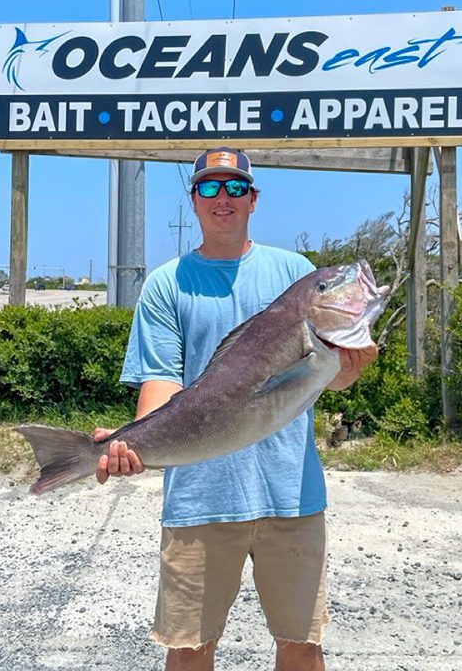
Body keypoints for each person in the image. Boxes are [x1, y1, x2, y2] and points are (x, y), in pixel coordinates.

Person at [94, 147, 377, 671]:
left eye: (234, 187)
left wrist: (354, 356)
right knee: (189, 648)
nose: (221, 197)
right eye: (208, 187)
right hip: (199, 497)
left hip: (291, 495)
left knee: (302, 643)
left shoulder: (295, 272)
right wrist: (132, 441)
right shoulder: (165, 284)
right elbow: (161, 382)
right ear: (193, 200)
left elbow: (333, 381)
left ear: (253, 199)